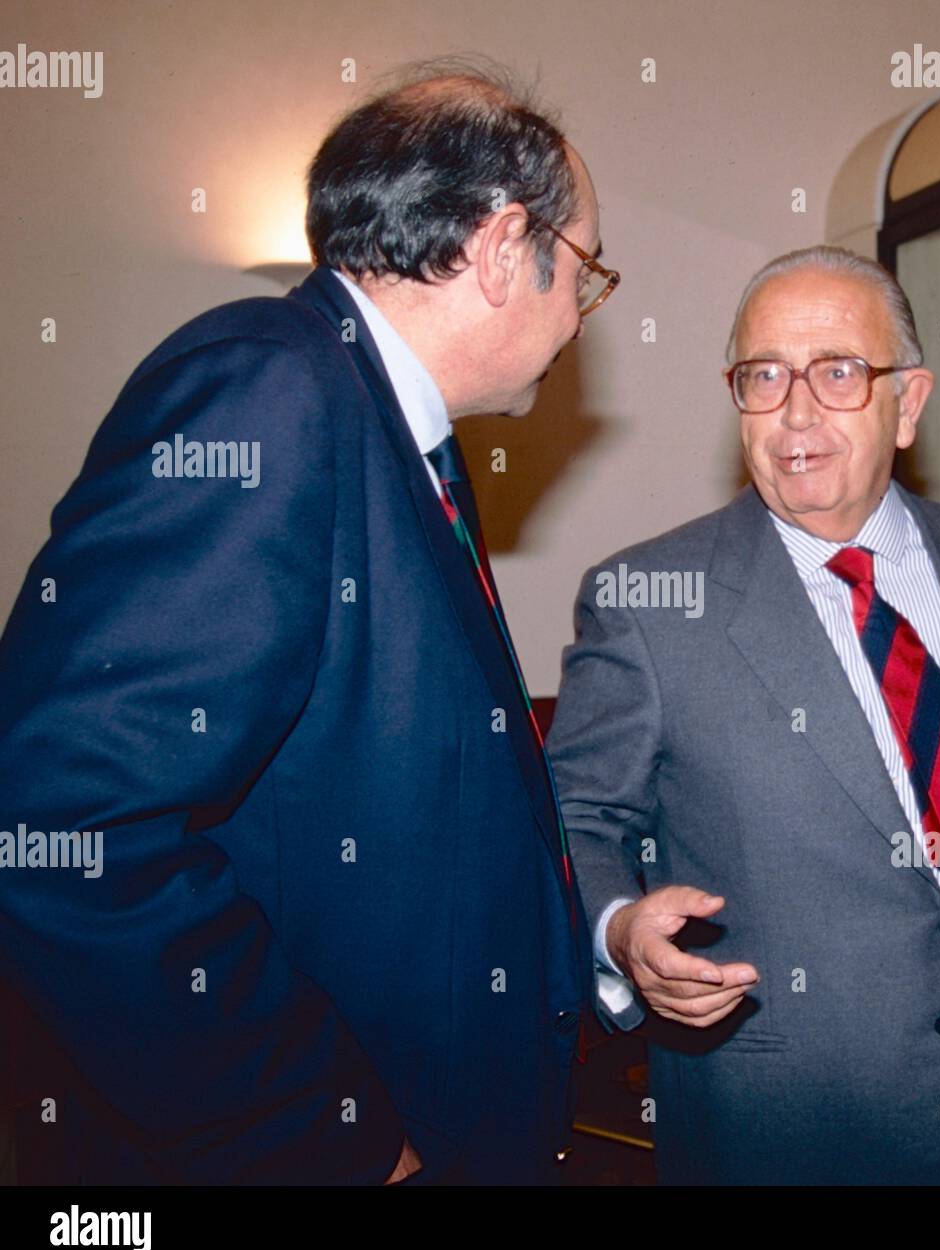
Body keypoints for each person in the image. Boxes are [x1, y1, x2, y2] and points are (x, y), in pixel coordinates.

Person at [0, 57, 619, 1185]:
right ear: (498, 247)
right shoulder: (270, 388)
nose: (585, 308)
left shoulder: (379, 419)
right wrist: (321, 1128)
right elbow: (65, 821)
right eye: (586, 267)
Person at [547, 245, 940, 1185]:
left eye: (839, 371)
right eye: (764, 376)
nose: (797, 411)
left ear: (907, 402)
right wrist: (621, 928)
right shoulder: (648, 600)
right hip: (784, 1127)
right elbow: (573, 818)